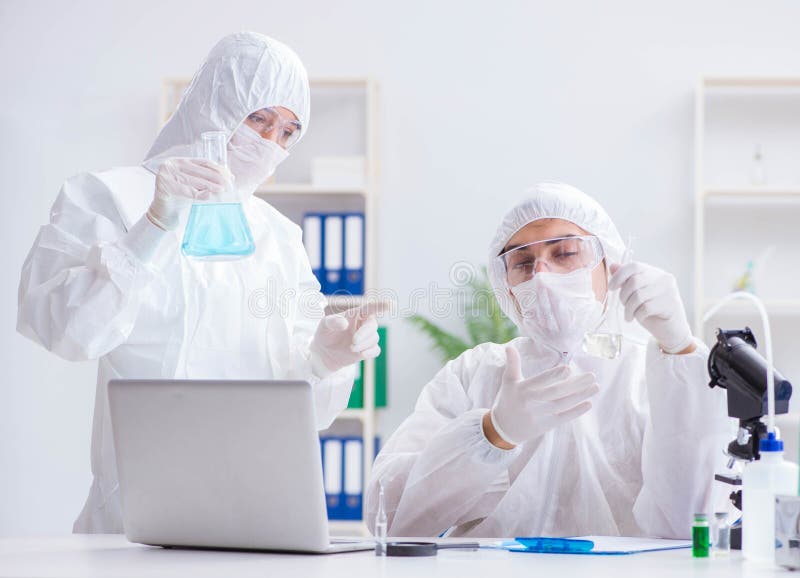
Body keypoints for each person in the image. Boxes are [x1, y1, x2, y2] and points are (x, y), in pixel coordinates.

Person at [17, 32, 382, 533]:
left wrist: (324, 360)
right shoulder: (110, 195)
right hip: (132, 523)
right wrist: (153, 228)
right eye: (259, 119)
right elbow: (66, 331)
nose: (271, 144)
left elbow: (302, 410)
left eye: (288, 132)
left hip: (257, 515)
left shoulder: (278, 236)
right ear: (216, 99)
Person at [365, 182, 730, 539]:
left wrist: (679, 349)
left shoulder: (650, 375)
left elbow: (696, 523)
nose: (541, 275)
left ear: (610, 265)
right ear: (505, 286)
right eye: (522, 262)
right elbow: (389, 514)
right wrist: (492, 434)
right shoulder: (475, 373)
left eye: (566, 253)